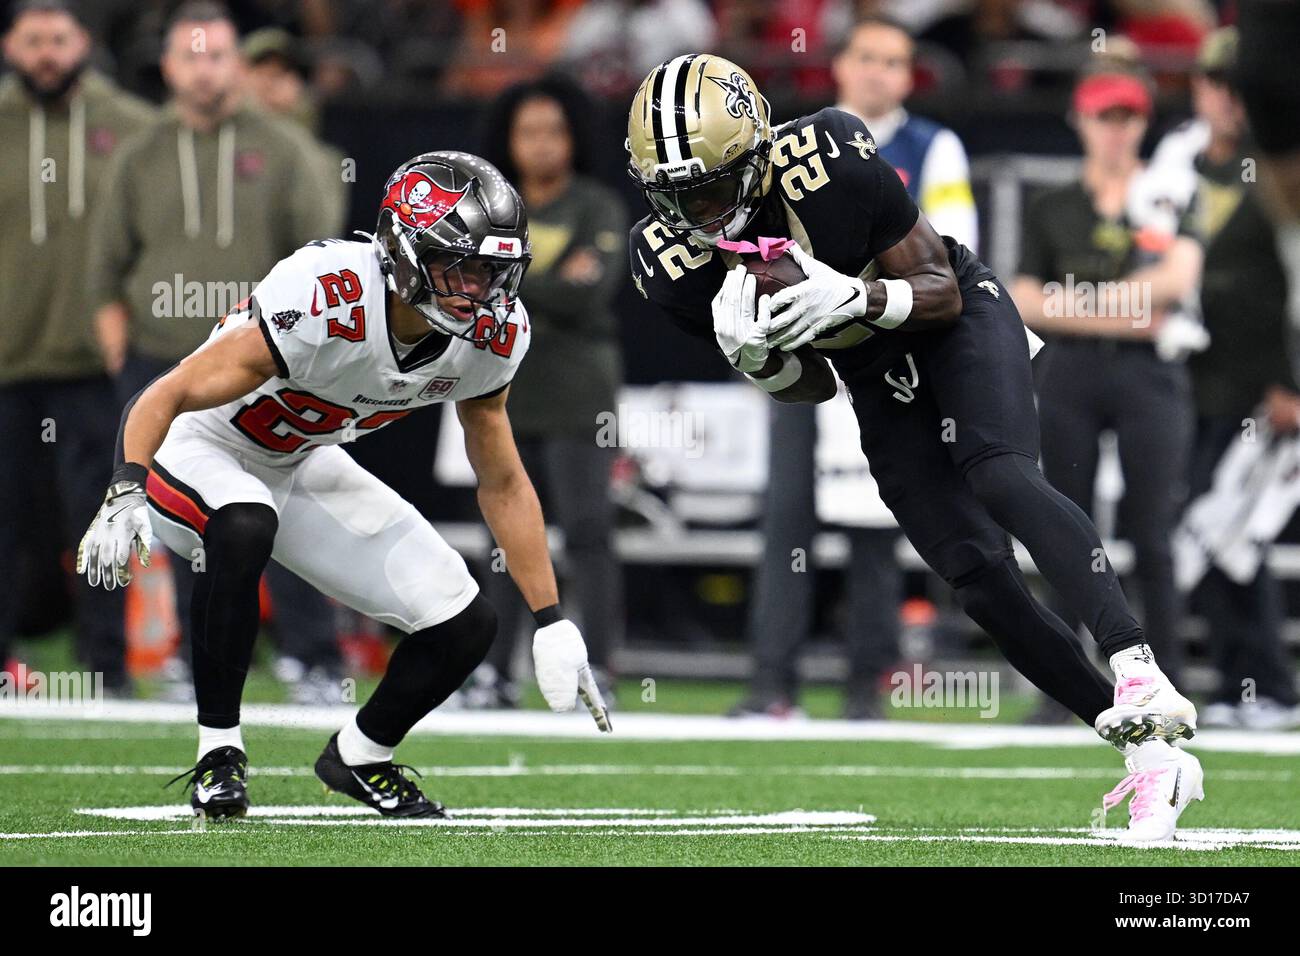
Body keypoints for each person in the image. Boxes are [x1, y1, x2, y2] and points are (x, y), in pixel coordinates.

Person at [627, 53, 1201, 840]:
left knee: (998, 472)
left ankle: (1136, 665)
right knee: (975, 573)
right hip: (869, 370)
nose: (699, 214)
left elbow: (942, 290)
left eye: (715, 188)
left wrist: (859, 293)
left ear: (757, 153)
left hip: (950, 320)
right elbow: (813, 388)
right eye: (675, 197)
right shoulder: (666, 261)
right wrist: (760, 362)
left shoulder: (826, 155)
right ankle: (1147, 757)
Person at [76, 150, 611, 820]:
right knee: (245, 521)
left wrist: (551, 620)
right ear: (403, 251)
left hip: (298, 459)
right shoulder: (328, 291)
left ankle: (360, 754)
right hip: (198, 443)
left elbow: (502, 481)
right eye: (461, 266)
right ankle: (219, 752)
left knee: (464, 621)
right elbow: (173, 390)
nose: (480, 291)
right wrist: (126, 485)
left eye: (493, 271)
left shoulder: (492, 338)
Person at [86, 2, 344, 702]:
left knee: (285, 507)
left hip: (258, 361)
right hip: (161, 361)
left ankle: (314, 658)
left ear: (237, 65)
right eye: (191, 56)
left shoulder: (283, 146)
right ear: (168, 67)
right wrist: (123, 362)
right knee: (174, 514)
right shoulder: (138, 151)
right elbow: (105, 266)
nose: (206, 69)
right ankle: (186, 658)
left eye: (218, 55)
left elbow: (320, 251)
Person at [734, 15, 981, 720]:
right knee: (785, 520)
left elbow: (956, 248)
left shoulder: (933, 147)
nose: (878, 73)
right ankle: (771, 685)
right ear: (839, 66)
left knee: (877, 522)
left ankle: (865, 688)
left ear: (908, 77)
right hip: (803, 345)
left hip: (880, 347)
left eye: (893, 62)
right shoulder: (784, 145)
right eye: (866, 58)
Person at [1011, 61, 1203, 722]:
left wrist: (1074, 304)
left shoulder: (1169, 196)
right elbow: (1023, 298)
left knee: (1153, 533)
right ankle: (1065, 688)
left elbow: (1176, 285)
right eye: (1104, 117)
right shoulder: (1053, 205)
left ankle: (1166, 681)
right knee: (1067, 525)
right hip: (1072, 371)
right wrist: (1124, 306)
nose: (1115, 132)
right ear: (1082, 122)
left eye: (1127, 118)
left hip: (1149, 372)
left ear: (1143, 124)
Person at [0, 0, 155, 693]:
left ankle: (106, 670)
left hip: (96, 365)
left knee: (104, 527)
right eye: (33, 41)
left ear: (82, 43)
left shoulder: (131, 127)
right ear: (10, 46)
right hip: (5, 363)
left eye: (58, 40)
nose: (46, 54)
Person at [473, 77, 626, 707]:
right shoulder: (487, 204)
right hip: (498, 392)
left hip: (579, 393)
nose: (541, 145)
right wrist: (541, 278)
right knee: (503, 541)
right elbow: (469, 285)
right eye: (528, 131)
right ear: (508, 140)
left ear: (574, 138)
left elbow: (587, 291)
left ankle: (605, 667)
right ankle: (493, 673)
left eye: (554, 131)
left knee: (588, 533)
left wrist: (501, 273)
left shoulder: (598, 205)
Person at [1163, 28, 1299, 729]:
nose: (1223, 97)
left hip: (1260, 389)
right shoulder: (1184, 168)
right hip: (1191, 385)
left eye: (1234, 85)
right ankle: (1235, 685)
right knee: (1208, 536)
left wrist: (1293, 383)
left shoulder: (1277, 172)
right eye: (1212, 83)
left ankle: (1267, 686)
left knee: (1231, 539)